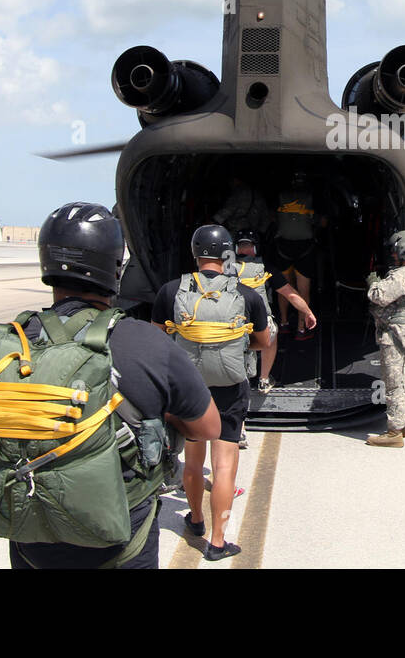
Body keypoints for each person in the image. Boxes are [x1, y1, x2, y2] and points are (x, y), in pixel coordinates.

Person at [0, 202, 219, 570]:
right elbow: (208, 427)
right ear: (115, 268)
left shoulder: (7, 346)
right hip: (124, 548)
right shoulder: (146, 342)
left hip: (32, 549)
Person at [153, 224, 271, 561]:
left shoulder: (171, 291)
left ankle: (195, 520)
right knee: (223, 466)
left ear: (195, 252)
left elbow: (158, 338)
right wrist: (232, 346)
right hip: (230, 388)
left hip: (190, 388)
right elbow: (263, 342)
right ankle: (217, 542)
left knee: (193, 460)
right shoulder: (246, 295)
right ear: (227, 255)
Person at [364, 230, 405, 448]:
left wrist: (373, 282)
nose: (393, 254)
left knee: (394, 382)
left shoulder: (403, 275)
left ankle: (394, 432)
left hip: (395, 333)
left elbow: (379, 296)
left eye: (395, 250)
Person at [234, 230, 318, 396]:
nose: (245, 250)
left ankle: (236, 380)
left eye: (246, 246)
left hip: (231, 322)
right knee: (271, 332)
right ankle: (264, 379)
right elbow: (290, 294)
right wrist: (308, 312)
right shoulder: (265, 268)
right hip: (256, 325)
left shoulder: (222, 269)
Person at [273, 172, 321, 337]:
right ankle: (301, 328)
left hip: (283, 247)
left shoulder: (280, 196)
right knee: (303, 289)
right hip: (305, 247)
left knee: (284, 288)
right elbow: (322, 222)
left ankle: (284, 323)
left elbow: (273, 219)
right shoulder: (312, 198)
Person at [213, 177, 273, 241]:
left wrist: (214, 221)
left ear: (236, 180)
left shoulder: (239, 191)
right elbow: (265, 218)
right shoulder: (259, 195)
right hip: (252, 235)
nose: (230, 184)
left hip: (235, 232)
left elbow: (227, 210)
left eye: (231, 181)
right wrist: (260, 233)